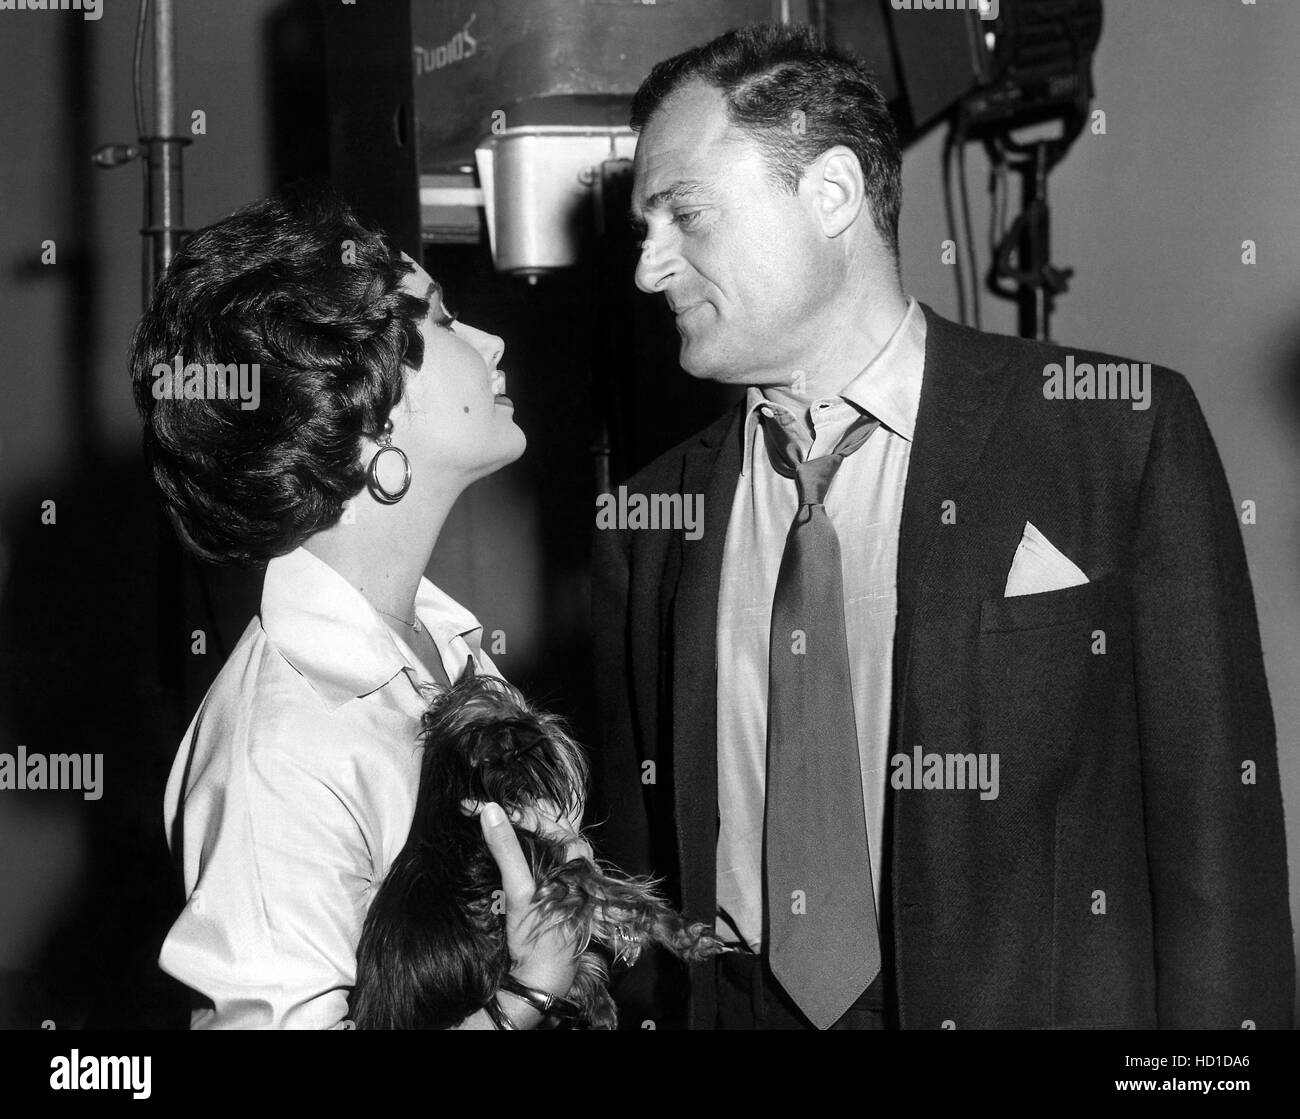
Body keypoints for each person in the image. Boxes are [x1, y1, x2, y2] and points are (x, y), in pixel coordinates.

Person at [591, 23, 1294, 1030]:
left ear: (831, 193)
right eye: (641, 231)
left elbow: (1215, 848)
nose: (649, 269)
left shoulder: (1112, 436)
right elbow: (642, 883)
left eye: (684, 217)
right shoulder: (647, 521)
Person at [131, 192, 585, 1029]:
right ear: (371, 424)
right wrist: (521, 997)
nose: (490, 341)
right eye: (444, 320)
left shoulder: (445, 646)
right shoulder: (285, 742)